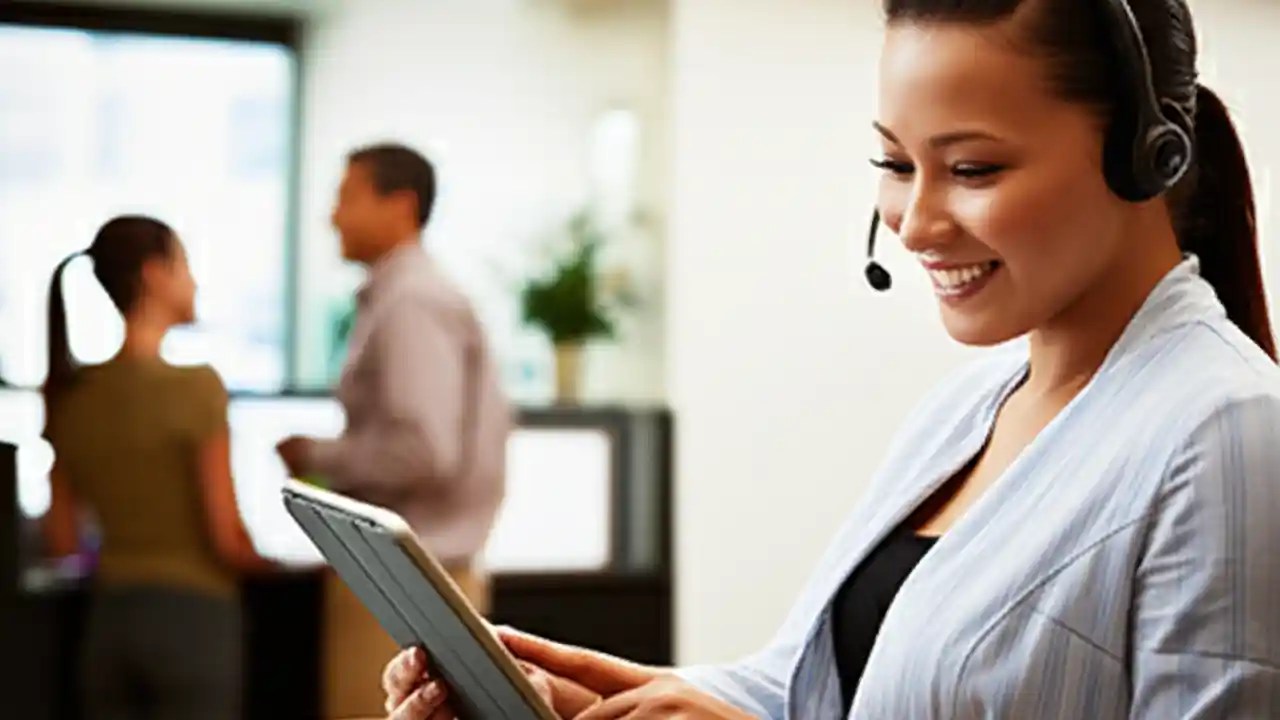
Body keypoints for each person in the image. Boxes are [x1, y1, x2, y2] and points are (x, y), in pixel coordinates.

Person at [383, 0, 1280, 717]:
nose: (915, 223)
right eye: (894, 163)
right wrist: (606, 696)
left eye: (971, 170)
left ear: (1146, 156)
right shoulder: (970, 409)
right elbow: (818, 690)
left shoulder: (1230, 432)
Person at [275, 143, 511, 717]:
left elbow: (423, 451)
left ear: (400, 205)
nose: (333, 216)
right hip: (407, 583)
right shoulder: (401, 295)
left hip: (407, 586)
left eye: (347, 197)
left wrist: (320, 455)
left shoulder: (412, 301)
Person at [42, 215, 272, 720]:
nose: (194, 282)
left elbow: (61, 538)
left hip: (107, 627)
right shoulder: (196, 387)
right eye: (184, 265)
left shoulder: (71, 393)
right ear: (154, 274)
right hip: (194, 622)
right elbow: (225, 537)